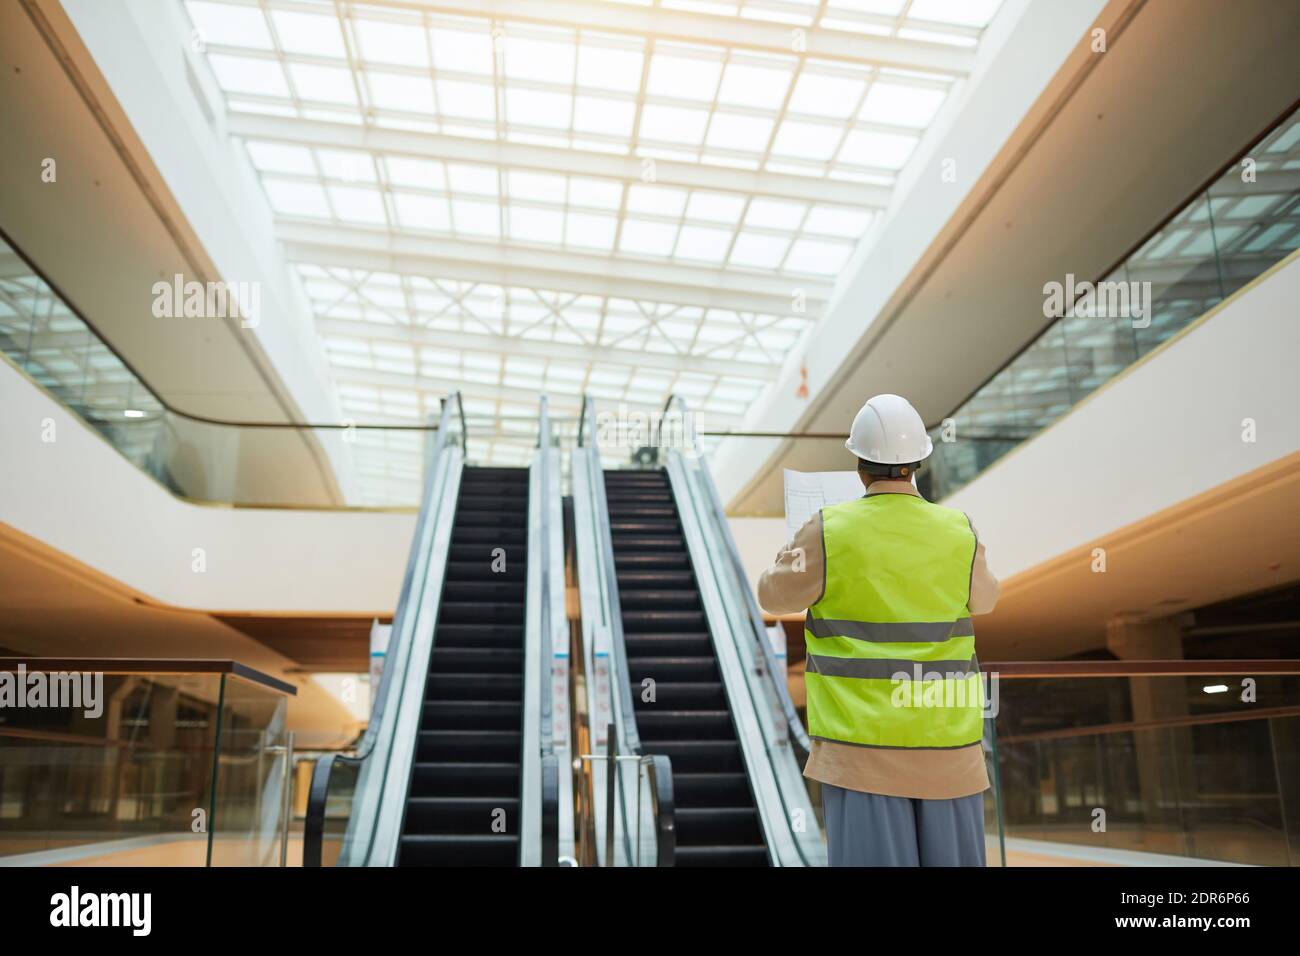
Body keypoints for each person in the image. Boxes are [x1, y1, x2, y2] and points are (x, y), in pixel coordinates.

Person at [757, 393, 1000, 866]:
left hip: (860, 754)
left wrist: (792, 551)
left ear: (859, 465)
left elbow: (772, 595)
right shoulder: (959, 529)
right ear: (918, 463)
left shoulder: (830, 528)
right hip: (949, 749)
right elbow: (986, 600)